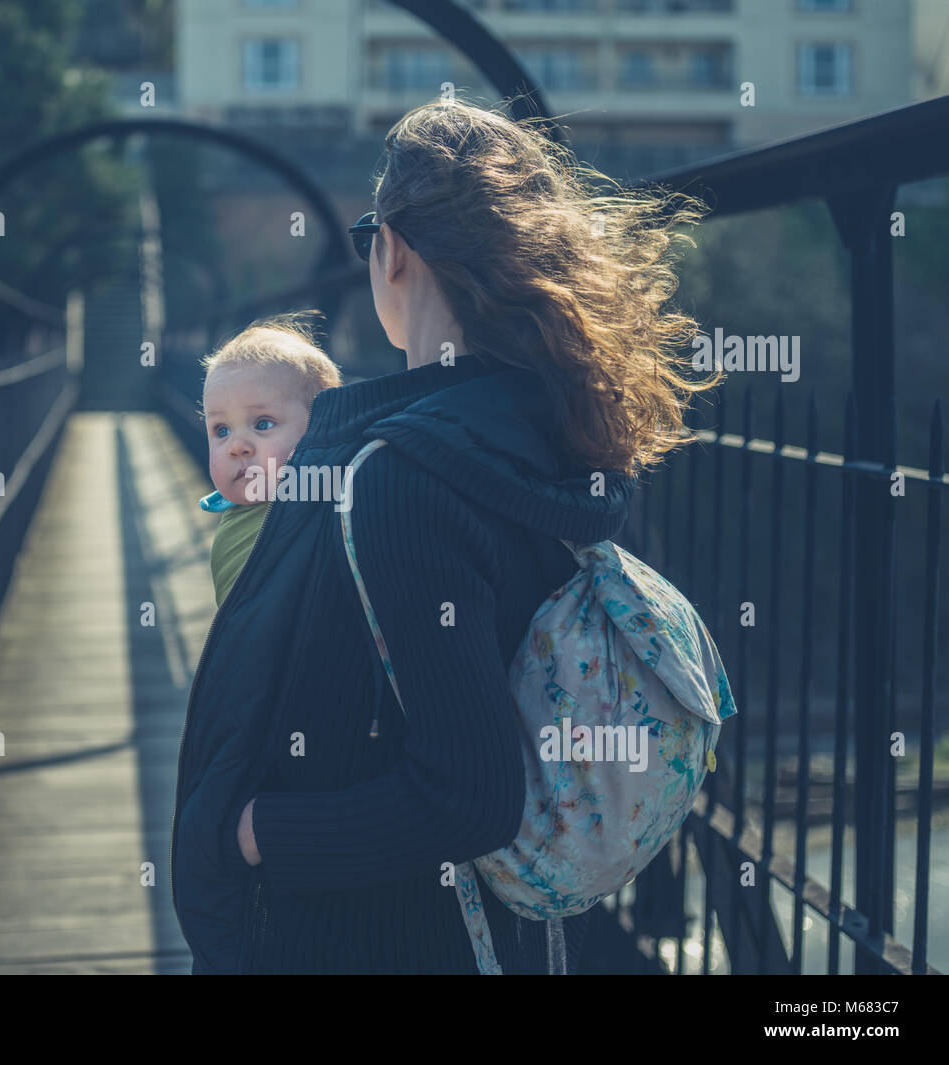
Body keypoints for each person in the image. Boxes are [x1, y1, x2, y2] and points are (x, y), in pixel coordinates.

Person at [170, 97, 716, 974]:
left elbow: (468, 793)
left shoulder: (404, 476)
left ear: (392, 250)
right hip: (496, 933)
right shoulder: (541, 428)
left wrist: (256, 831)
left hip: (374, 935)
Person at [196, 315, 343, 607]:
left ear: (321, 425)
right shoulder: (237, 513)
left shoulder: (331, 503)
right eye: (221, 430)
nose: (236, 446)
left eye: (263, 424)